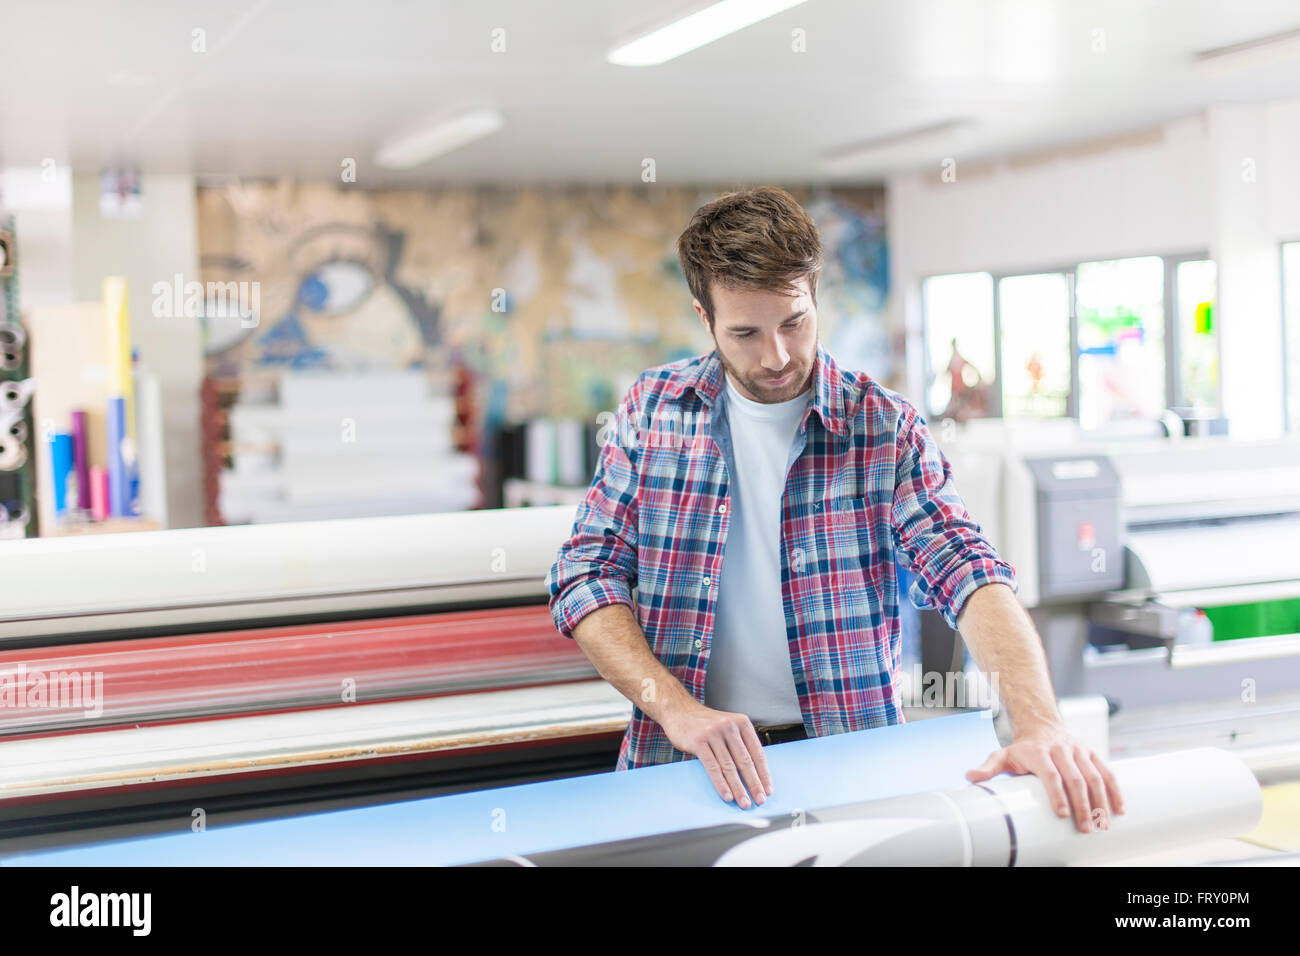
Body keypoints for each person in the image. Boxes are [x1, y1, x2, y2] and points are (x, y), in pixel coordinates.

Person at [546, 186, 1122, 835]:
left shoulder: (883, 427)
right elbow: (586, 576)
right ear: (704, 317)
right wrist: (675, 709)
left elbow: (966, 571)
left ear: (815, 294)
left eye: (793, 321)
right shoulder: (654, 412)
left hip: (852, 765)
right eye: (745, 332)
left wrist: (1039, 724)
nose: (777, 356)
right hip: (681, 765)